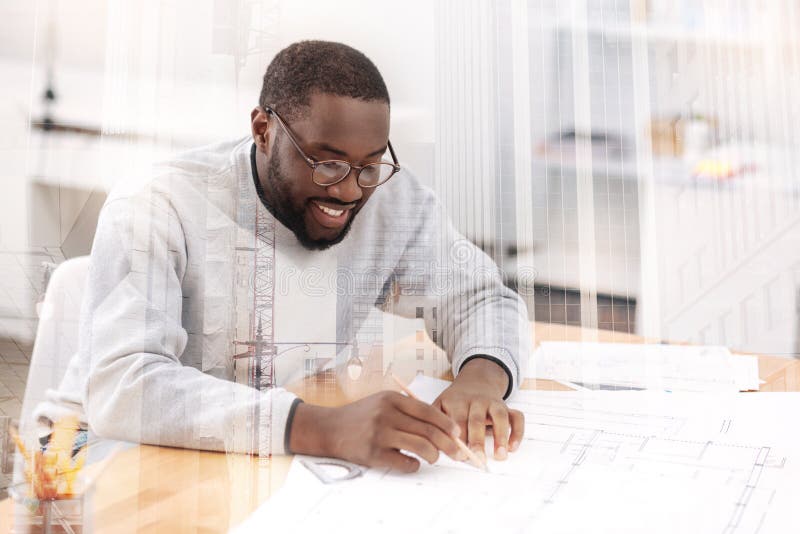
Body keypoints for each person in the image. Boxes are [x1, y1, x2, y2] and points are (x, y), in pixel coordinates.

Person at [36, 40, 530, 473]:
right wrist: (323, 428)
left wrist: (481, 380)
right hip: (94, 447)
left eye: (370, 164)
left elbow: (482, 297)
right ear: (263, 129)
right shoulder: (157, 204)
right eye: (327, 162)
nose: (349, 190)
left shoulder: (389, 201)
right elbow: (126, 388)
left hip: (252, 445)